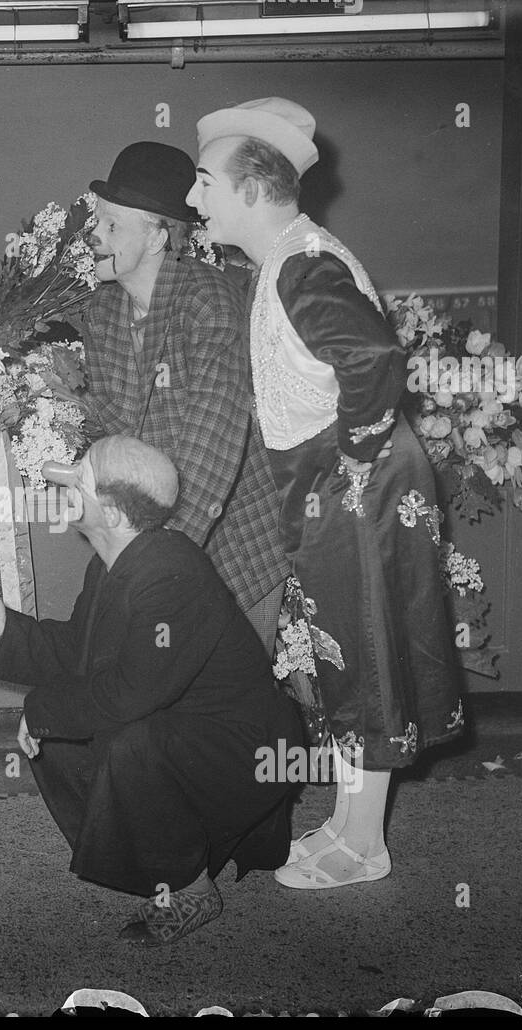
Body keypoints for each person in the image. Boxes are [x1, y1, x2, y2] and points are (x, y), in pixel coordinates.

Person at [186, 97, 464, 889]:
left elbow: (372, 360)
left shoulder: (304, 262)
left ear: (252, 188)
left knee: (363, 655)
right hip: (336, 478)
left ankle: (365, 845)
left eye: (206, 182)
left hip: (356, 479)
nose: (194, 199)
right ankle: (350, 822)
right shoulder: (283, 259)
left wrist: (352, 458)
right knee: (339, 652)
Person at [0, 436, 303, 944]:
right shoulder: (114, 560)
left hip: (250, 748)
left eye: (81, 475)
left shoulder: (172, 573)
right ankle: (152, 853)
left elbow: (129, 694)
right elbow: (77, 651)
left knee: (129, 742)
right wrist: (3, 627)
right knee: (74, 732)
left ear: (113, 513)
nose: (64, 477)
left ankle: (190, 888)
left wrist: (43, 709)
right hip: (193, 729)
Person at [80, 142, 289, 654]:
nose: (94, 238)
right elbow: (114, 431)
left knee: (231, 710)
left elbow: (211, 451)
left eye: (112, 226)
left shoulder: (208, 301)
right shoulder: (104, 312)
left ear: (156, 236)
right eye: (97, 223)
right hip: (154, 541)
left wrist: (150, 561)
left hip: (235, 545)